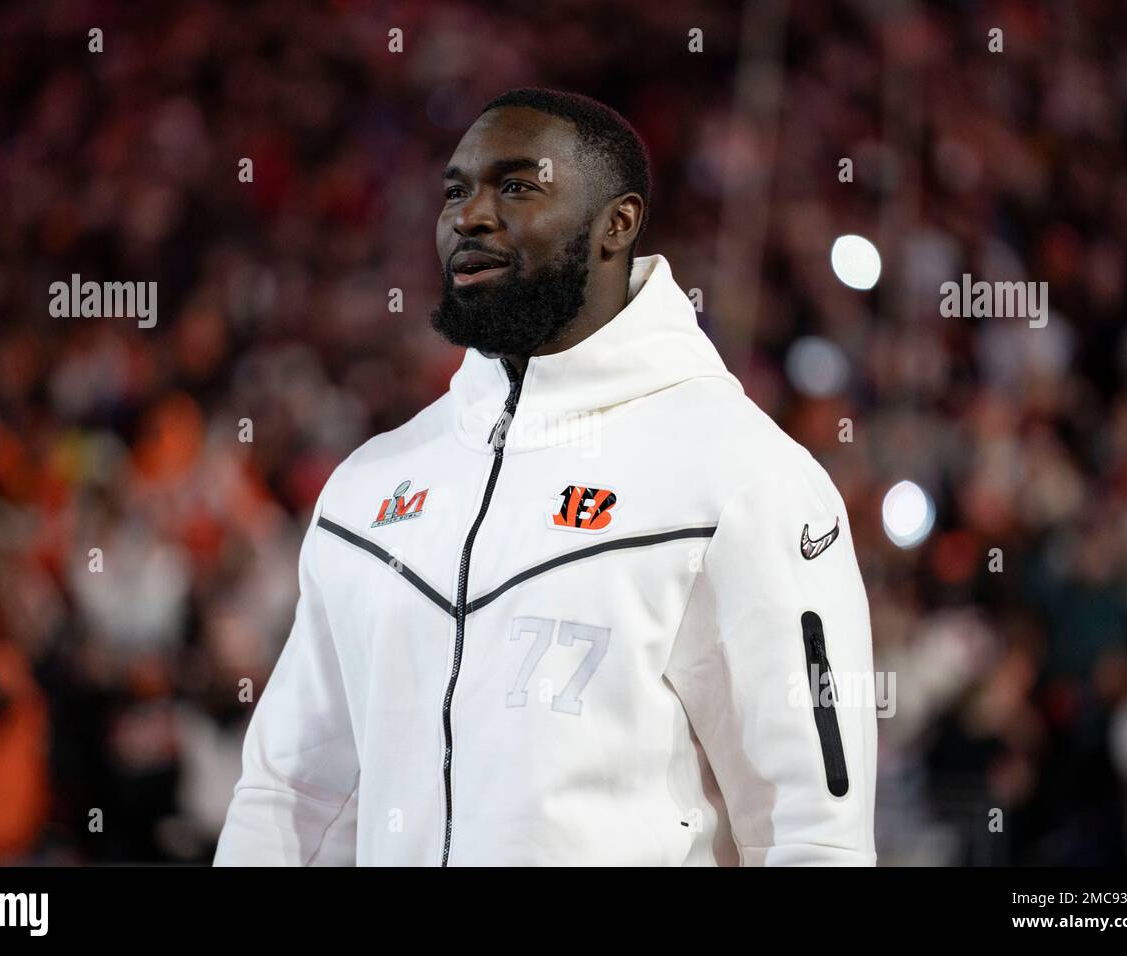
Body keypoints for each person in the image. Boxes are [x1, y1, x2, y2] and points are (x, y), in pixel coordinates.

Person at [214, 87, 877, 866]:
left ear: (617, 224)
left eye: (518, 187)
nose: (471, 215)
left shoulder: (741, 476)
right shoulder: (369, 486)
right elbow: (292, 795)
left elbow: (811, 835)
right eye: (456, 191)